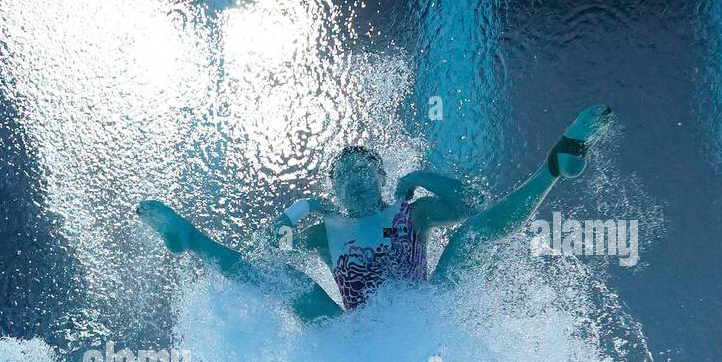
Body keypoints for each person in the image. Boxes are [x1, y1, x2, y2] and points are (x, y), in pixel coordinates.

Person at [137, 105, 613, 321]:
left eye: (364, 171)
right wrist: (293, 214)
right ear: (335, 188)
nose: (355, 179)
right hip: (357, 336)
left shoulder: (414, 213)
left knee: (471, 237)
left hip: (425, 313)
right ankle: (190, 239)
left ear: (383, 179)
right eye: (344, 175)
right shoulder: (323, 233)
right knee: (292, 285)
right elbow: (261, 257)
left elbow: (476, 207)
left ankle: (555, 165)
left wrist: (424, 176)